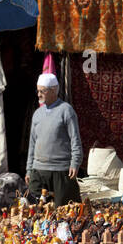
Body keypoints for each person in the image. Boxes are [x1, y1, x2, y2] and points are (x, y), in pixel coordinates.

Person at [26, 73, 82, 205]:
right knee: (35, 209)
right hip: (38, 170)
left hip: (61, 170)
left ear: (53, 90)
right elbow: (32, 143)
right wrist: (29, 169)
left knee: (64, 211)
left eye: (42, 91)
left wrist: (75, 162)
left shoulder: (66, 110)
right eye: (38, 90)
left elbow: (75, 139)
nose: (39, 94)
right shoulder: (37, 114)